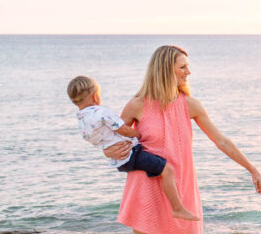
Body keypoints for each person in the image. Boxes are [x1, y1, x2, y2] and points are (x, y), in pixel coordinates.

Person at [103, 45, 261, 234]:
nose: (188, 71)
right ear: (165, 68)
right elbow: (112, 143)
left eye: (187, 66)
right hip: (147, 188)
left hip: (183, 186)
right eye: (182, 66)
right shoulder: (137, 104)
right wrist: (109, 152)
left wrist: (253, 170)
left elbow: (222, 141)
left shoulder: (189, 104)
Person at [67, 75, 198, 221]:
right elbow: (122, 128)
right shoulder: (101, 112)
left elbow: (94, 140)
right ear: (95, 96)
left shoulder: (82, 121)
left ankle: (163, 211)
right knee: (167, 170)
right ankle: (178, 208)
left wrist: (107, 149)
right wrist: (138, 134)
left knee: (156, 172)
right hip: (132, 154)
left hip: (120, 161)